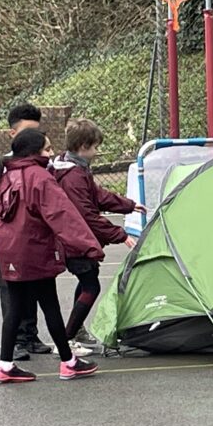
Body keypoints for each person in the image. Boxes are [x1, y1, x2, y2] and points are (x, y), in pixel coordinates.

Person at [0, 128, 104, 384]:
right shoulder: (40, 177)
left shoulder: (4, 176)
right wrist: (89, 246)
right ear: (34, 152)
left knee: (15, 308)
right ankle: (68, 362)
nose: (51, 154)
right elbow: (63, 215)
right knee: (50, 305)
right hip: (35, 250)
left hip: (11, 252)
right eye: (47, 149)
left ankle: (5, 365)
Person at [51, 118, 146, 356]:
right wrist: (119, 234)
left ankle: (75, 331)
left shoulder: (75, 168)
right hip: (74, 239)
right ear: (83, 146)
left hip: (77, 239)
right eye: (95, 147)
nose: (96, 152)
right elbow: (86, 214)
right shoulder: (72, 176)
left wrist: (128, 205)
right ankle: (66, 340)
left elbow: (97, 195)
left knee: (87, 280)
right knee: (91, 286)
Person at [0, 103, 50, 362]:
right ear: (13, 134)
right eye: (27, 132)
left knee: (34, 286)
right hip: (9, 239)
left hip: (33, 238)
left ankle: (30, 335)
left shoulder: (43, 163)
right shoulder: (2, 164)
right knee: (11, 291)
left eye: (37, 132)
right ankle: (16, 341)